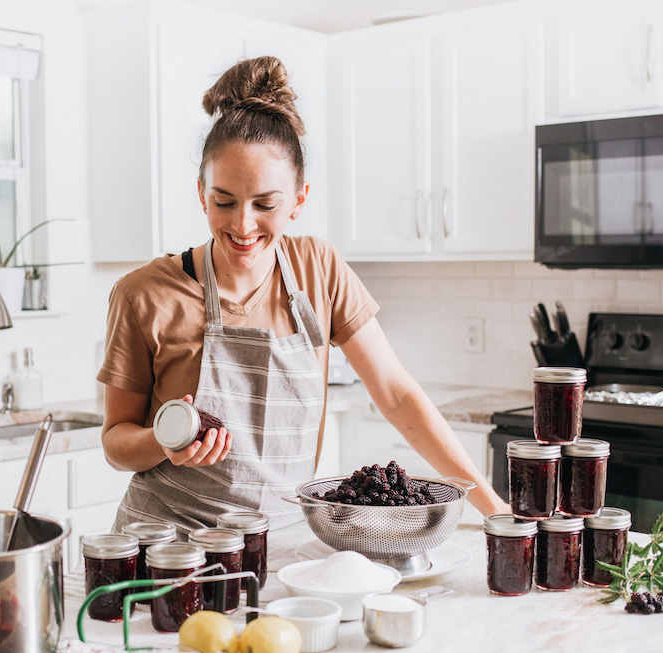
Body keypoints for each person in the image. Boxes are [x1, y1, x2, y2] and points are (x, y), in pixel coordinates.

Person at [98, 56, 508, 535]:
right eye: (223, 201)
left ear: (299, 199)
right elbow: (115, 441)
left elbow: (396, 395)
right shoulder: (143, 294)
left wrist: (494, 508)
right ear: (201, 192)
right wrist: (163, 442)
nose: (242, 225)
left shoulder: (319, 269)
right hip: (167, 547)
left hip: (279, 546)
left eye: (265, 204)